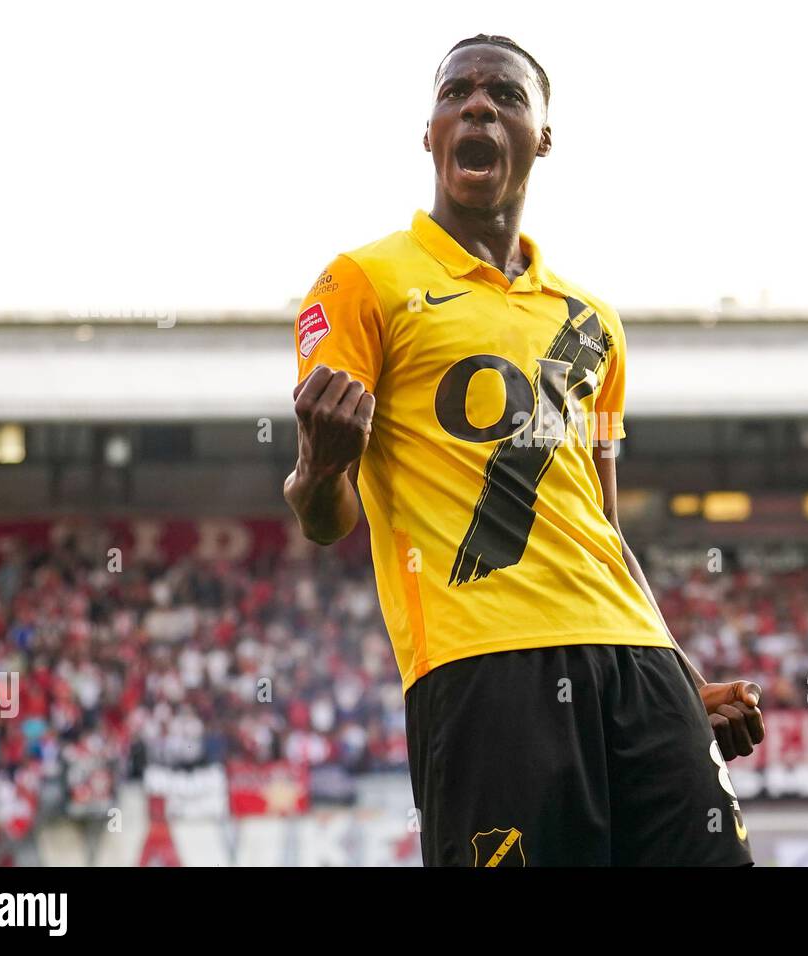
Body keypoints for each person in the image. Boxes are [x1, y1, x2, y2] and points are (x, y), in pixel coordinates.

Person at [284, 34, 764, 866]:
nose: (477, 104)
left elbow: (605, 528)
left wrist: (682, 674)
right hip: (485, 668)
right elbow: (324, 522)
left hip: (639, 666)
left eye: (504, 95)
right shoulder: (360, 283)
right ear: (429, 132)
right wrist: (318, 469)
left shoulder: (594, 323)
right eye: (456, 93)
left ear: (541, 135)